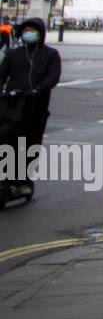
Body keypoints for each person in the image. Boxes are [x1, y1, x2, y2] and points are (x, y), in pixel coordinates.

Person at [0, 17, 62, 202]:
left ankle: (24, 181)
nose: (30, 33)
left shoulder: (50, 55)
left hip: (36, 106)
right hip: (12, 105)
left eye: (33, 30)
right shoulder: (13, 54)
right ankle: (8, 178)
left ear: (41, 34)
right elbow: (2, 75)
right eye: (26, 30)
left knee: (31, 144)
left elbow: (53, 77)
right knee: (8, 139)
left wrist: (38, 90)